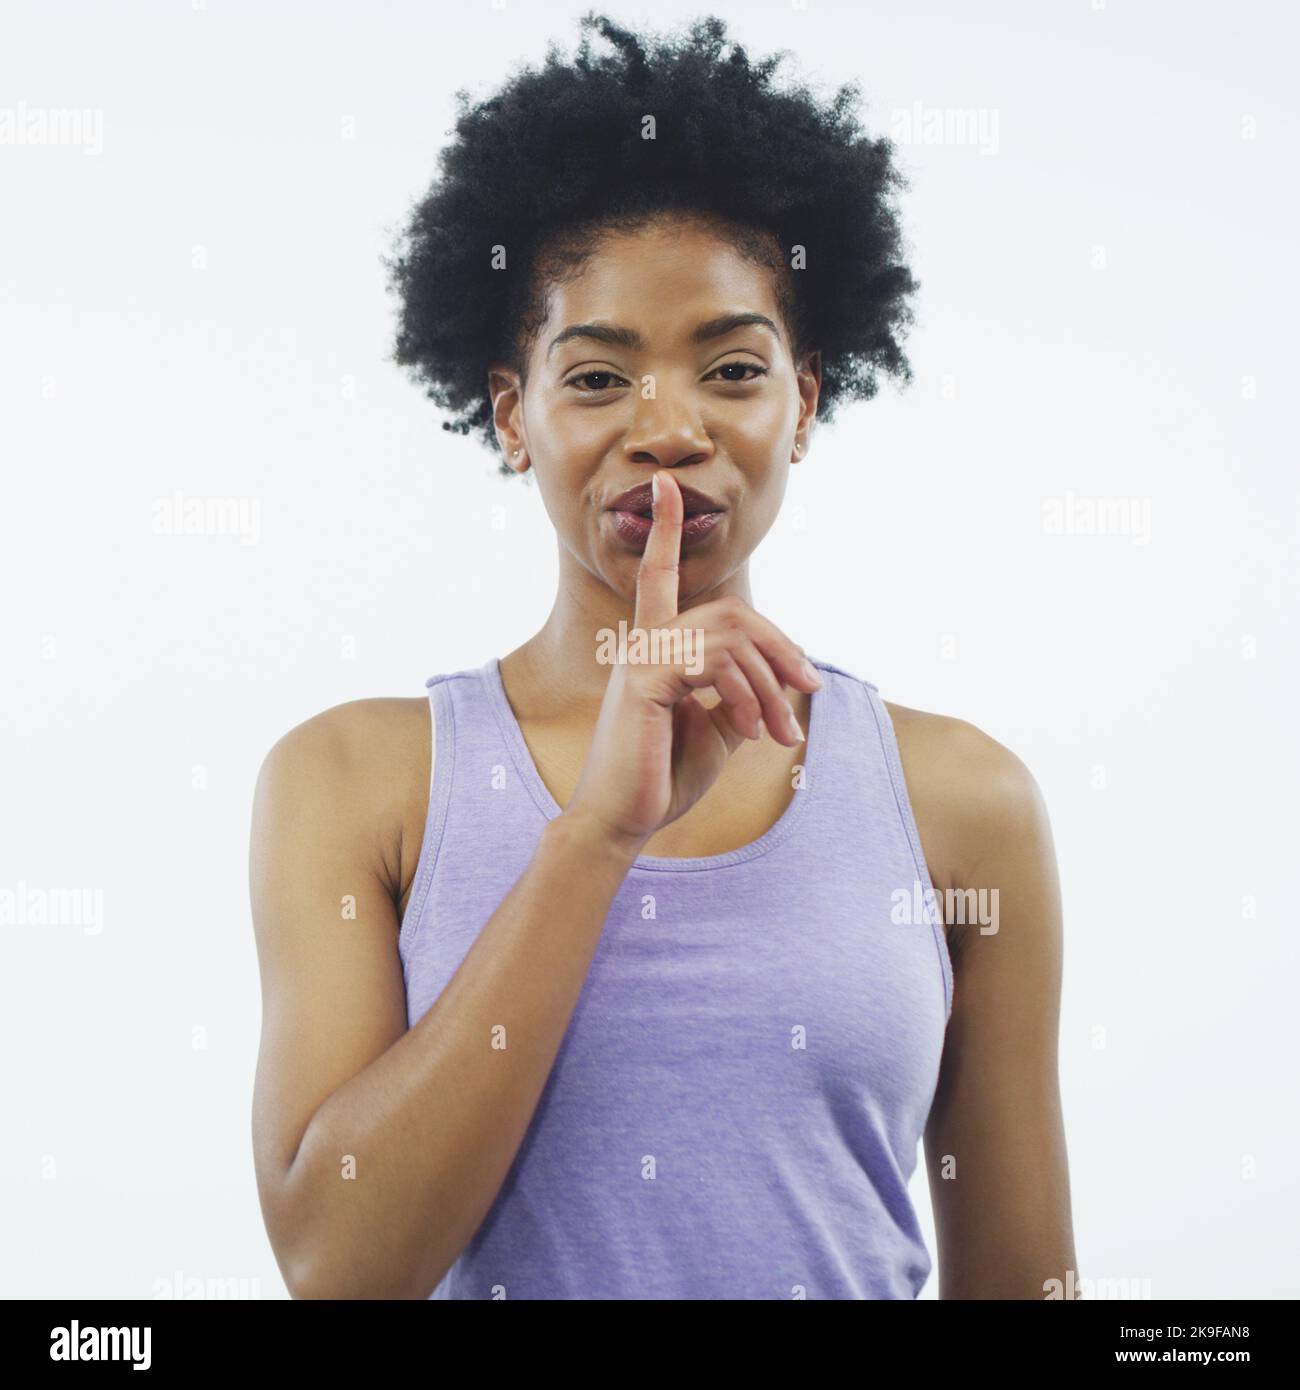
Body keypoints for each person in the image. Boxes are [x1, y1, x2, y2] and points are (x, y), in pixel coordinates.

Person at [249, 12, 1076, 1299]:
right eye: (595, 380)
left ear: (803, 403)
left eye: (732, 368)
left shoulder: (966, 805)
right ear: (512, 415)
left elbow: (1030, 1289)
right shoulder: (355, 782)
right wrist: (593, 837)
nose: (668, 428)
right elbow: (335, 1264)